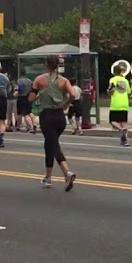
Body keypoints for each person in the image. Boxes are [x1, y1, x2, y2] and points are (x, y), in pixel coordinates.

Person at [33, 55, 77, 190]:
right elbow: (73, 95)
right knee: (49, 145)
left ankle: (67, 172)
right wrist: (65, 104)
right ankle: (48, 178)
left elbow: (31, 97)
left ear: (46, 64)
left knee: (54, 145)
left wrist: (37, 95)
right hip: (60, 116)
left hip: (47, 116)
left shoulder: (40, 79)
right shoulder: (63, 80)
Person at [108, 61, 132, 147]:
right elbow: (129, 92)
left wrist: (109, 91)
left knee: (112, 121)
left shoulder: (112, 80)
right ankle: (125, 140)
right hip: (125, 104)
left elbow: (111, 90)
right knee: (124, 122)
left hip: (115, 104)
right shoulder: (125, 80)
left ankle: (121, 130)